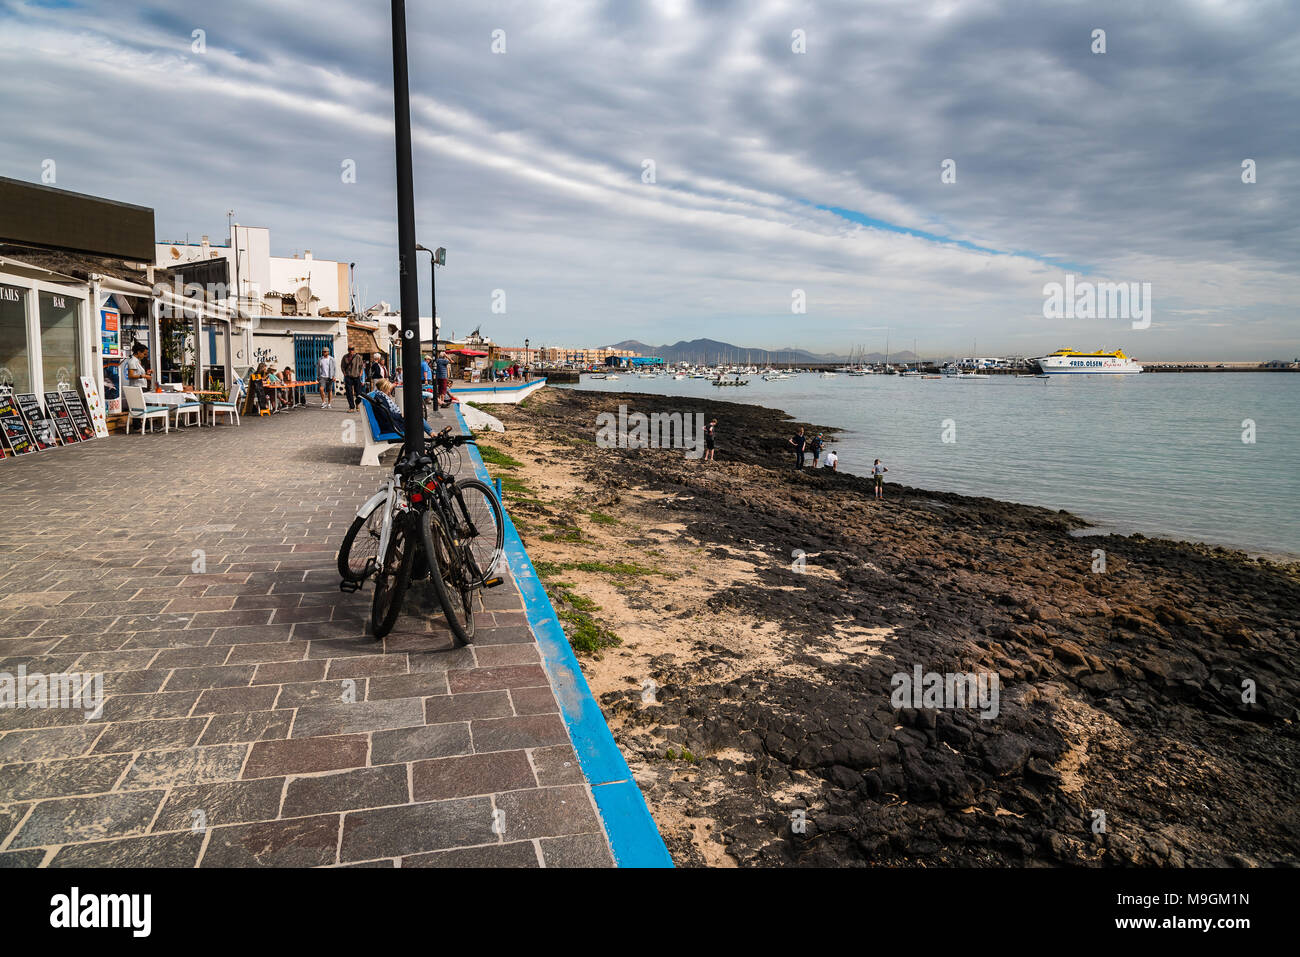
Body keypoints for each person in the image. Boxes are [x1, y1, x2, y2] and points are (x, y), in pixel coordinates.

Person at [367, 377, 434, 439]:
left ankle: (431, 434)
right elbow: (387, 415)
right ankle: (431, 436)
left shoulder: (380, 396)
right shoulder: (380, 398)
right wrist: (400, 415)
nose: (390, 391)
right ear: (385, 388)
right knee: (416, 418)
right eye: (389, 389)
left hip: (392, 424)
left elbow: (387, 414)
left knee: (415, 416)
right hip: (393, 428)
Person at [340, 345, 365, 412]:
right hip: (348, 377)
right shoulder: (345, 357)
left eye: (352, 349)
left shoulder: (358, 357)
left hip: (356, 376)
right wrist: (344, 373)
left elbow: (362, 366)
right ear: (348, 350)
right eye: (350, 349)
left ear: (354, 349)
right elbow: (342, 366)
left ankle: (357, 403)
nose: (351, 350)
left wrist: (360, 374)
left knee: (359, 393)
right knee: (349, 392)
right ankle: (351, 407)